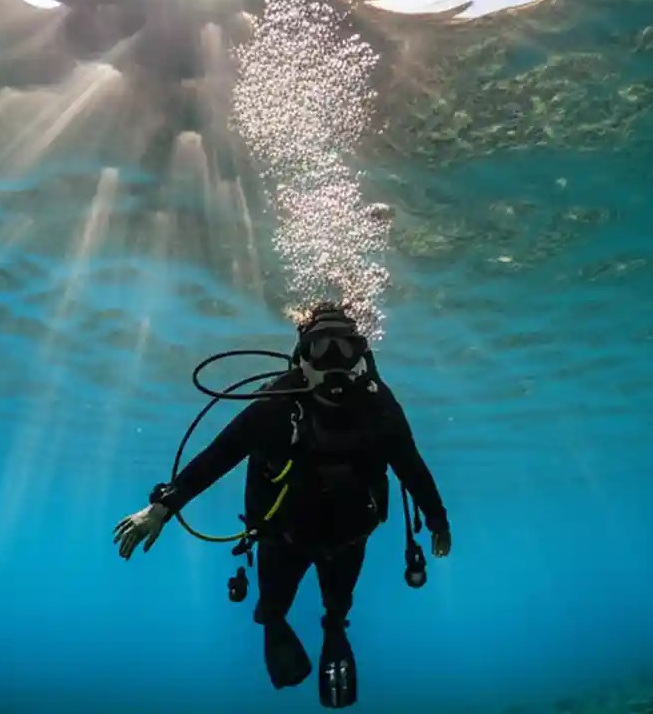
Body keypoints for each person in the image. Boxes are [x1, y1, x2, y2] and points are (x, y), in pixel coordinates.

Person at [112, 302, 452, 709]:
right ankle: (280, 625)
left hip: (349, 539)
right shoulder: (275, 405)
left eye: (346, 350)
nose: (334, 363)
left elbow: (410, 466)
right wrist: (161, 508)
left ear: (362, 355)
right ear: (301, 358)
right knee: (272, 610)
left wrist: (437, 519)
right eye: (319, 349)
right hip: (282, 539)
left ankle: (333, 629)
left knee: (338, 606)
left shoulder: (379, 408)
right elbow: (220, 455)